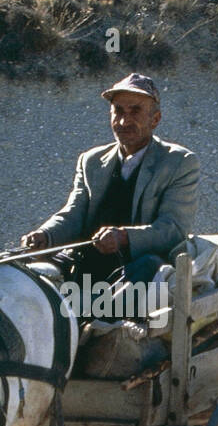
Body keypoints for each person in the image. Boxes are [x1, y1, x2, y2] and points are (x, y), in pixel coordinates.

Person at [21, 73, 199, 291]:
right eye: (118, 111)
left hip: (137, 265)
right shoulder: (91, 161)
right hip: (87, 260)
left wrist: (124, 237)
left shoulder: (179, 162)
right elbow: (74, 213)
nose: (124, 121)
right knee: (24, 273)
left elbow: (173, 229)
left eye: (135, 111)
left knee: (149, 269)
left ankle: (97, 318)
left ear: (155, 119)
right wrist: (45, 235)